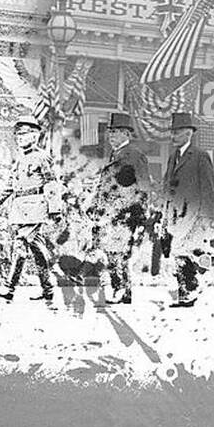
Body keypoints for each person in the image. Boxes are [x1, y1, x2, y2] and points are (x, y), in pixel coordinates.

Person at [0, 119, 57, 303]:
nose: (19, 138)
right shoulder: (19, 159)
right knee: (37, 249)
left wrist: (55, 208)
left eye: (24, 134)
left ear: (35, 136)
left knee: (21, 243)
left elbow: (51, 183)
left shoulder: (42, 157)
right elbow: (10, 185)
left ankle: (9, 288)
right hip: (19, 208)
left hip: (36, 206)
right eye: (17, 135)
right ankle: (48, 289)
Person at [91, 112, 151, 304]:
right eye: (110, 132)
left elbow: (142, 183)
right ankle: (124, 291)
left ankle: (120, 289)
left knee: (117, 252)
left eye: (116, 132)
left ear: (127, 134)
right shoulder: (117, 154)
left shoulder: (133, 154)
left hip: (125, 212)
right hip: (114, 211)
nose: (111, 136)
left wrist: (141, 211)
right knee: (114, 251)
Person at [161, 112, 214, 307]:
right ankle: (186, 291)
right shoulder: (173, 156)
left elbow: (209, 188)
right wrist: (165, 212)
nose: (173, 136)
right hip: (175, 214)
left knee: (186, 252)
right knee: (178, 253)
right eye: (172, 132)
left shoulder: (200, 156)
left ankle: (191, 289)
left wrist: (206, 217)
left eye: (177, 133)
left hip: (194, 214)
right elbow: (167, 185)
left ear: (188, 133)